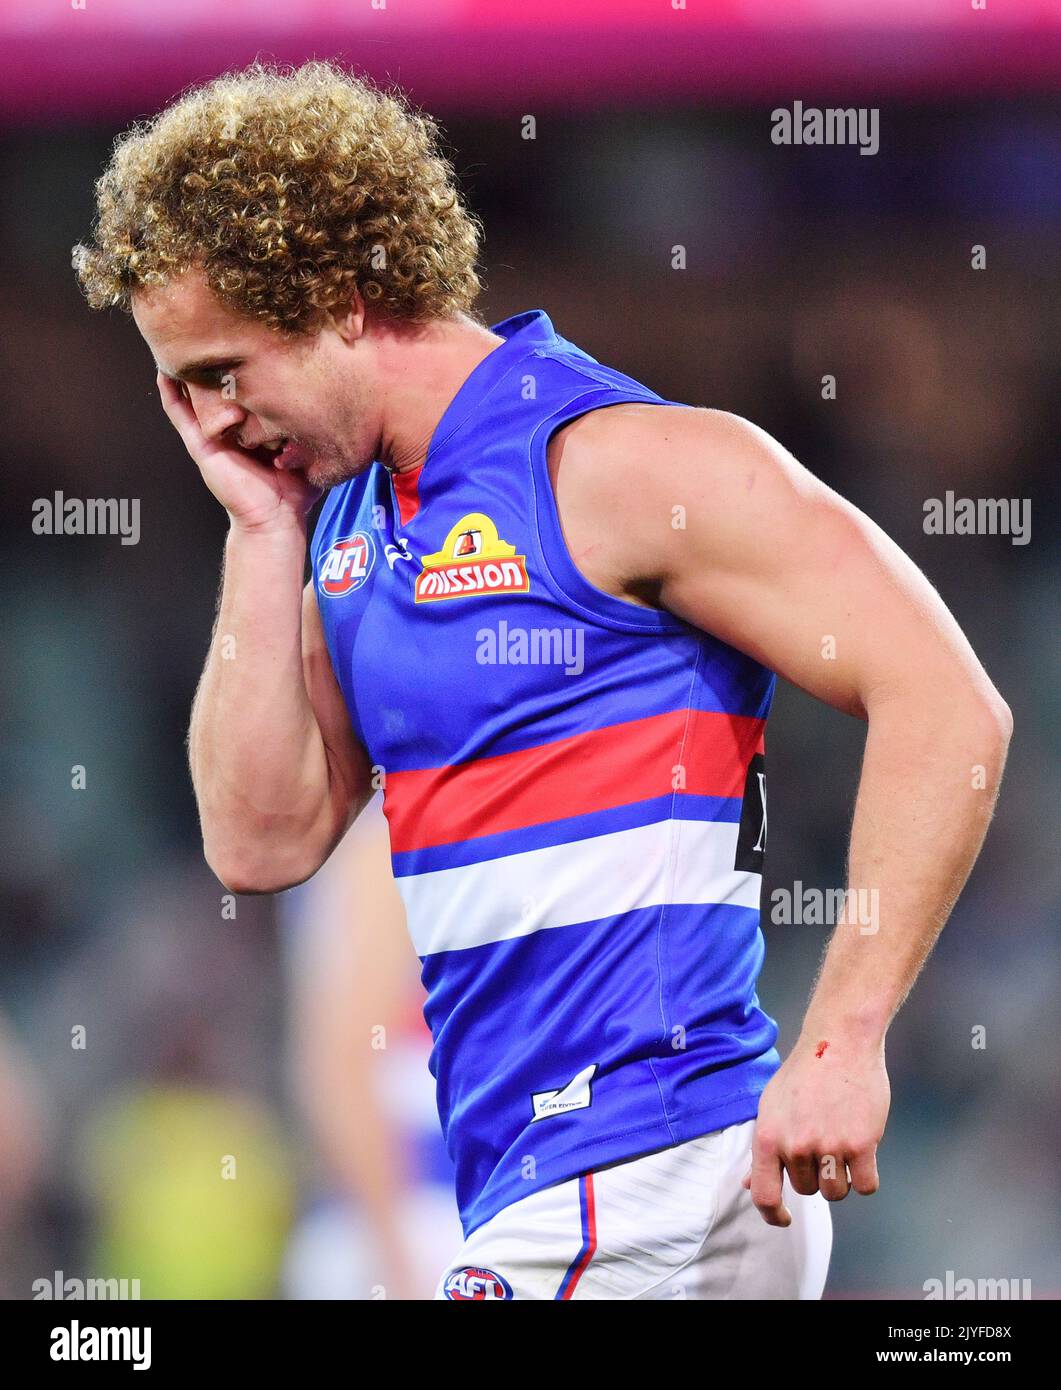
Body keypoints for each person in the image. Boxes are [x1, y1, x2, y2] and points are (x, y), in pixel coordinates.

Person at [73, 60, 1012, 1300]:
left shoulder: (618, 466)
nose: (208, 423)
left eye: (222, 371)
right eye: (179, 389)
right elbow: (260, 841)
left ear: (347, 299)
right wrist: (256, 534)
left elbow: (946, 704)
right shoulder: (347, 533)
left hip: (644, 1174)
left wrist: (843, 1041)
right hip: (543, 1186)